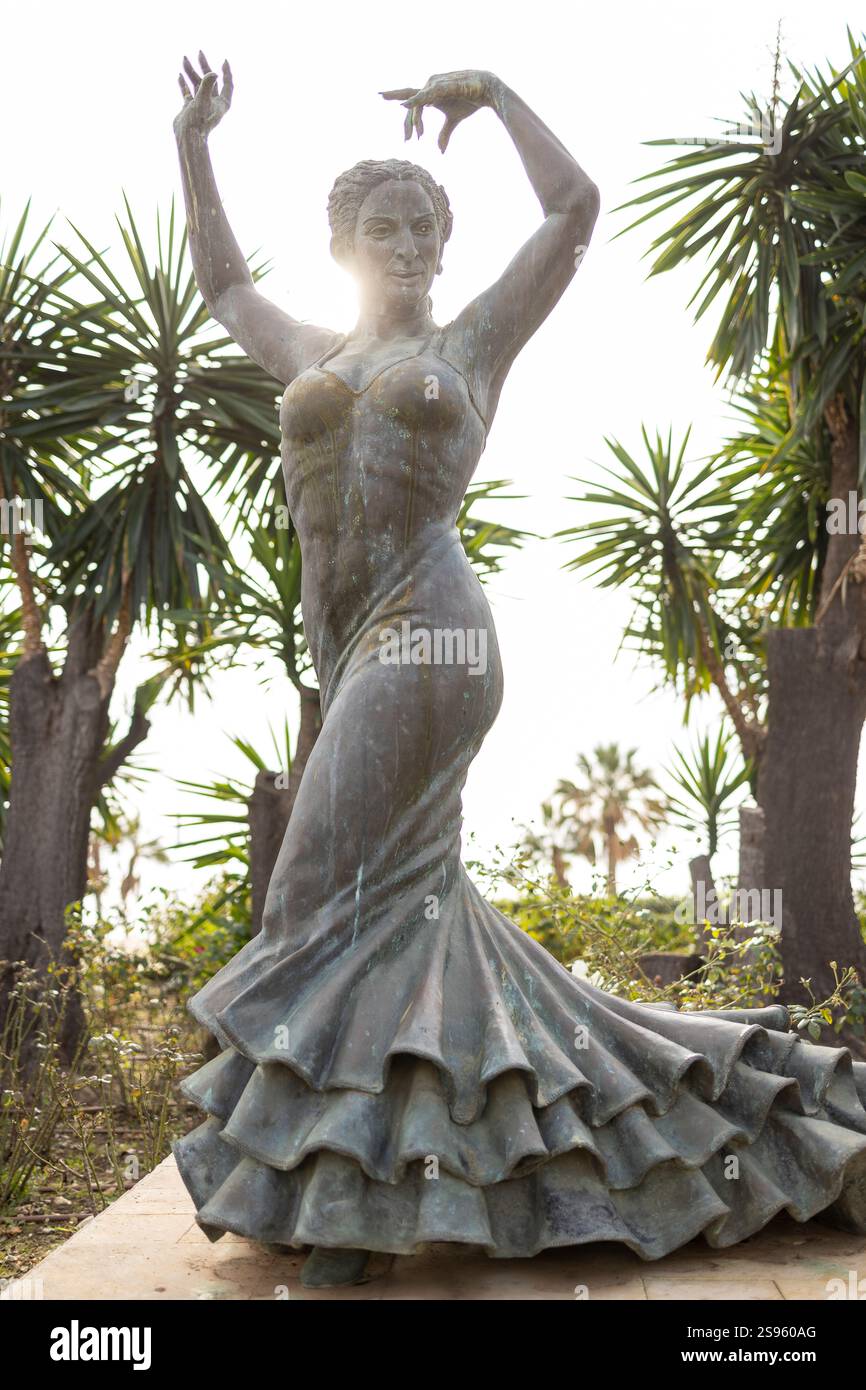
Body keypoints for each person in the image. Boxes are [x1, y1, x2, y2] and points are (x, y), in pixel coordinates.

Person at [172, 53, 866, 1289]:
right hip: (353, 648)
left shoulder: (474, 342)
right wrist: (194, 142)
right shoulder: (306, 351)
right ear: (343, 245)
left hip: (430, 636)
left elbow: (572, 211)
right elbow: (221, 281)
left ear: (443, 245)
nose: (402, 241)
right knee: (391, 905)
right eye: (378, 226)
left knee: (311, 891)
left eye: (420, 225)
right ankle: (381, 1180)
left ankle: (337, 1196)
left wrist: (490, 95)